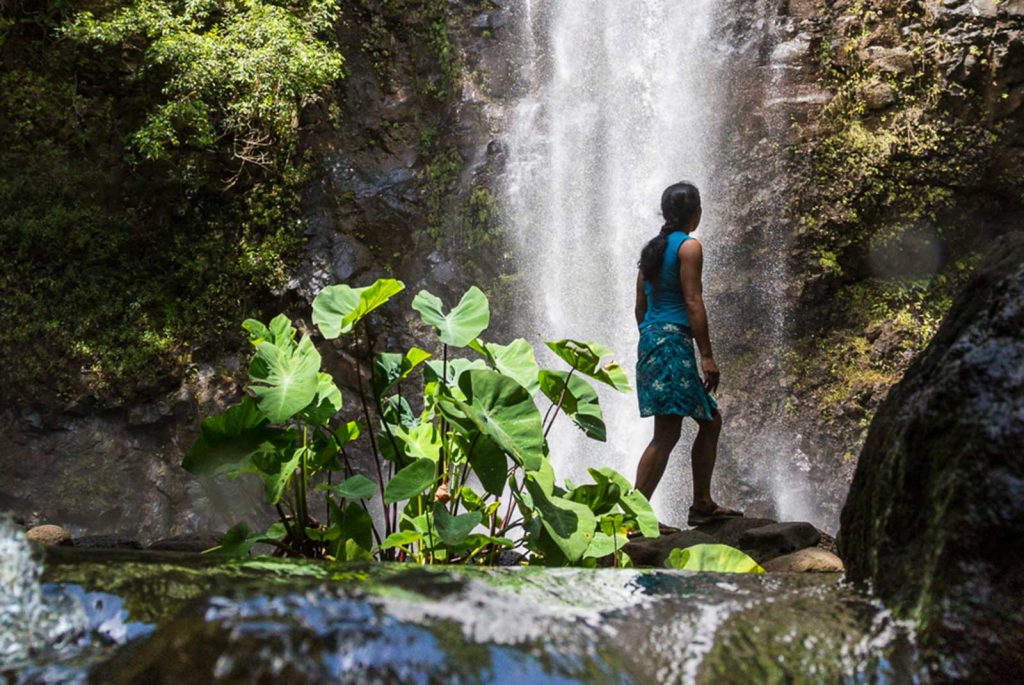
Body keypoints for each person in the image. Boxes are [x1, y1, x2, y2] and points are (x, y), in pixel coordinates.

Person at [633, 181, 743, 527]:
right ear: (694, 213)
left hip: (653, 340)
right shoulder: (689, 247)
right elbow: (693, 300)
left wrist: (653, 337)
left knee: (710, 419)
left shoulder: (651, 251)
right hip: (672, 343)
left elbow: (640, 308)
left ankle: (702, 503)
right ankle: (634, 518)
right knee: (667, 434)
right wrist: (707, 355)